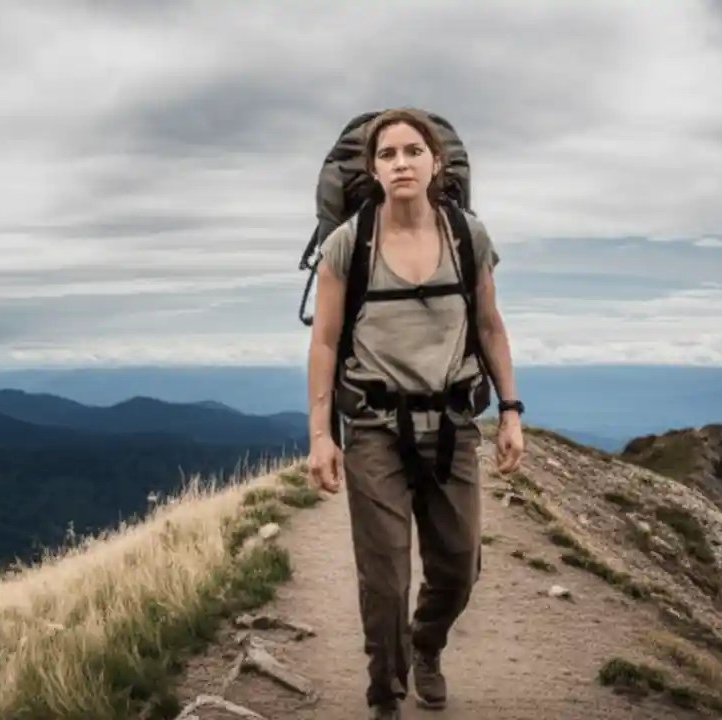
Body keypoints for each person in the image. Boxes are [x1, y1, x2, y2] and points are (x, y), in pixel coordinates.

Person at [305, 108, 525, 718]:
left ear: (436, 163)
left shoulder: (467, 236)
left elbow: (489, 325)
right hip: (374, 426)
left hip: (454, 423)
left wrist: (510, 410)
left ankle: (425, 646)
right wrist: (321, 435)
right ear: (373, 171)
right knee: (385, 582)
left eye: (411, 151)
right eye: (387, 155)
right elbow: (323, 342)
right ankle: (386, 697)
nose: (400, 163)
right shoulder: (348, 243)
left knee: (458, 567)